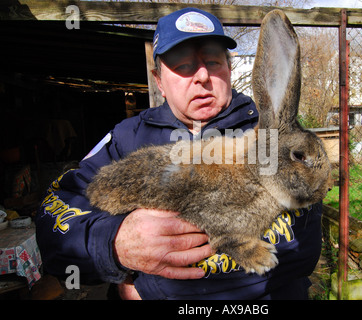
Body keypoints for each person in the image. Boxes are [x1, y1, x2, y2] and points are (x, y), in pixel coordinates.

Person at [35, 7, 323, 300]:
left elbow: (300, 248)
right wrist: (116, 243)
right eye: (183, 66)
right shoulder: (127, 137)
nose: (201, 76)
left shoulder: (268, 134)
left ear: (229, 68)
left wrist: (151, 286)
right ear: (158, 79)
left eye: (213, 61)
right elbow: (55, 225)